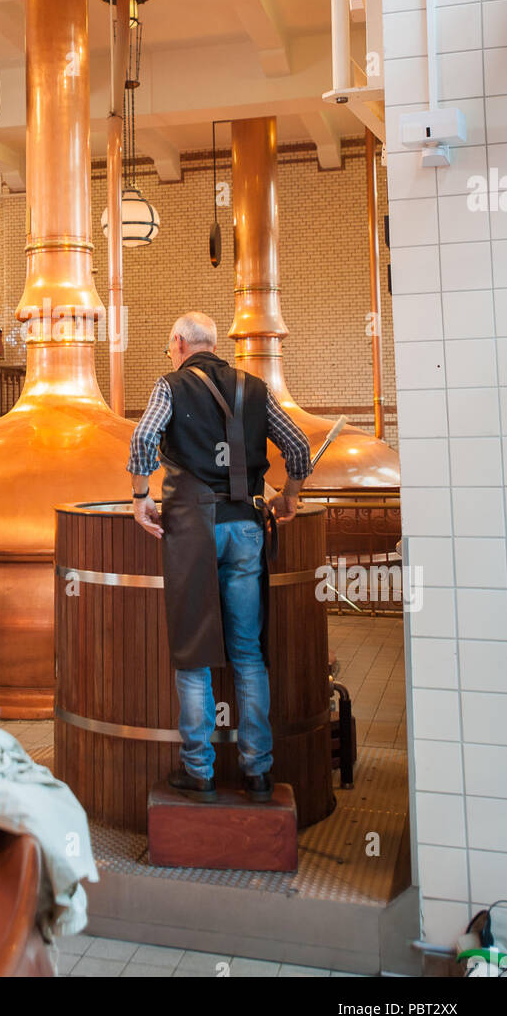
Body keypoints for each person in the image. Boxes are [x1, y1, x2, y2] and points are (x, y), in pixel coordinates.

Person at [128, 310, 312, 804]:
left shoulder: (170, 386)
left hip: (192, 531)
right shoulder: (254, 387)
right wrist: (289, 494)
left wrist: (140, 495)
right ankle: (257, 774)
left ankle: (199, 771)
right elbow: (298, 446)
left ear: (179, 343)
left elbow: (144, 438)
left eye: (171, 347)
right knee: (248, 652)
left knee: (194, 654)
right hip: (247, 528)